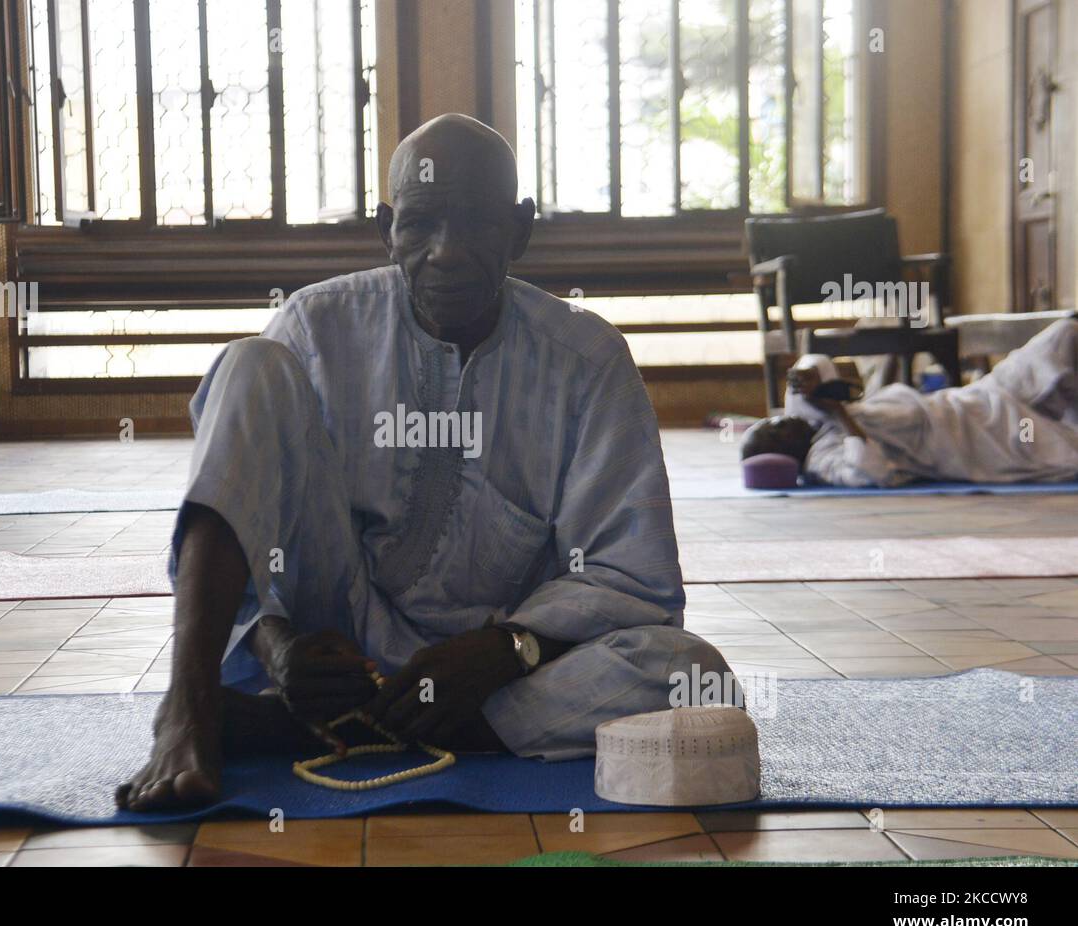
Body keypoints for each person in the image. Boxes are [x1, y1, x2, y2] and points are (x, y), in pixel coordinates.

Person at [116, 114, 736, 813]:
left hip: (503, 668)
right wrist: (280, 647)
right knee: (248, 364)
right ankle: (189, 707)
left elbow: (633, 577)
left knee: (692, 671)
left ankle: (308, 729)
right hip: (339, 638)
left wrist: (506, 651)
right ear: (388, 227)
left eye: (476, 224)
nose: (446, 252)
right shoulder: (316, 327)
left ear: (520, 230)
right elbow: (250, 526)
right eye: (421, 224)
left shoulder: (585, 360)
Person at [740, 317, 1078, 487]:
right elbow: (868, 469)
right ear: (782, 457)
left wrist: (808, 373)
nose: (781, 421)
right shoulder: (821, 460)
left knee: (1065, 334)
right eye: (775, 432)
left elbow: (816, 364)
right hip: (982, 441)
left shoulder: (806, 413)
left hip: (979, 397)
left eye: (773, 421)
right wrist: (840, 413)